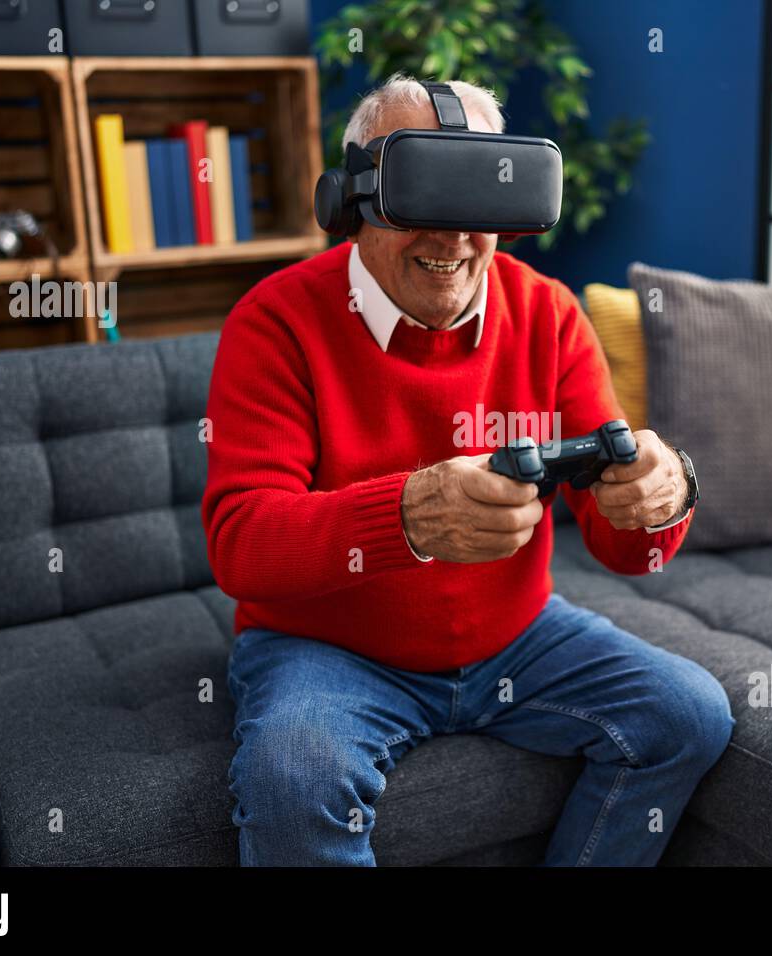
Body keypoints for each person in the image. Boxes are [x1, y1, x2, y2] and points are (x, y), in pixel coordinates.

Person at [202, 73, 734, 866]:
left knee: (690, 715)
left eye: (480, 197)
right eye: (424, 195)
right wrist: (409, 516)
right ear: (350, 201)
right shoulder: (277, 321)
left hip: (518, 637)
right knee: (294, 776)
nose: (453, 239)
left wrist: (663, 497)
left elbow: (627, 551)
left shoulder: (549, 314)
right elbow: (240, 545)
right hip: (327, 647)